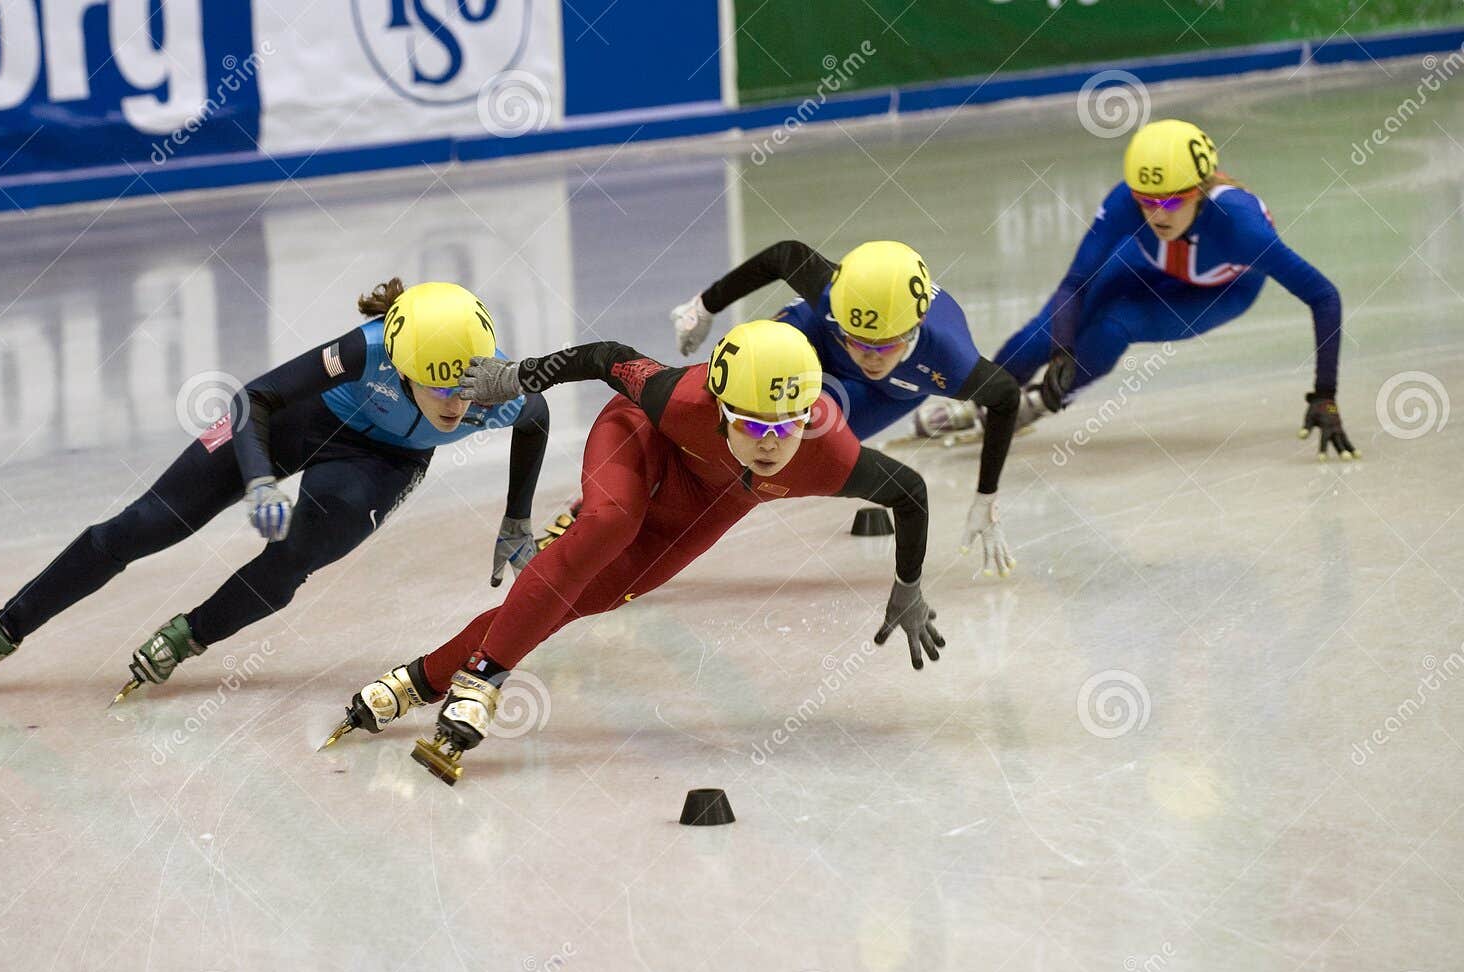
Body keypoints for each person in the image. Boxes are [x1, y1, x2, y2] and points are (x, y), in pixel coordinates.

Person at [320, 319, 947, 784]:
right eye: (751, 423)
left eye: (785, 425)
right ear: (720, 407)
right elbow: (605, 357)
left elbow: (911, 493)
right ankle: (484, 681)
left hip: (707, 502)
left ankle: (418, 680)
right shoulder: (677, 397)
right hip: (640, 440)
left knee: (584, 598)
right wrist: (515, 377)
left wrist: (909, 585)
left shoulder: (830, 453)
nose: (769, 441)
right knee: (609, 525)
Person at [0, 280, 549, 703]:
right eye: (440, 389)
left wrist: (517, 517)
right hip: (305, 415)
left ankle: (189, 635)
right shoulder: (366, 350)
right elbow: (255, 398)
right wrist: (259, 476)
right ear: (401, 369)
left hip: (383, 462)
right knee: (145, 524)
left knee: (293, 559)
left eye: (469, 388)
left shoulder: (490, 389)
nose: (458, 405)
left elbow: (538, 416)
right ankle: (4, 628)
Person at [540, 240, 1022, 576]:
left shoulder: (952, 361)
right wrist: (704, 305)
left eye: (886, 345)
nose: (869, 356)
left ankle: (657, 511)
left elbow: (1006, 399)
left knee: (793, 450)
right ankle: (609, 492)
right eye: (858, 341)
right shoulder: (830, 297)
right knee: (735, 401)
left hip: (893, 392)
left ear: (914, 332)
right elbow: (784, 255)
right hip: (811, 342)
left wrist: (986, 498)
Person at [915, 118, 1358, 460]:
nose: (1156, 213)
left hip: (1215, 290)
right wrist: (1061, 351)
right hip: (1153, 262)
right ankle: (987, 395)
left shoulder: (1242, 230)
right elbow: (1075, 283)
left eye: (1169, 201)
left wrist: (1326, 394)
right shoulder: (1127, 202)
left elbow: (1323, 296)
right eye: (1146, 199)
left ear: (1200, 191)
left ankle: (1035, 406)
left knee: (1113, 325)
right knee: (1052, 327)